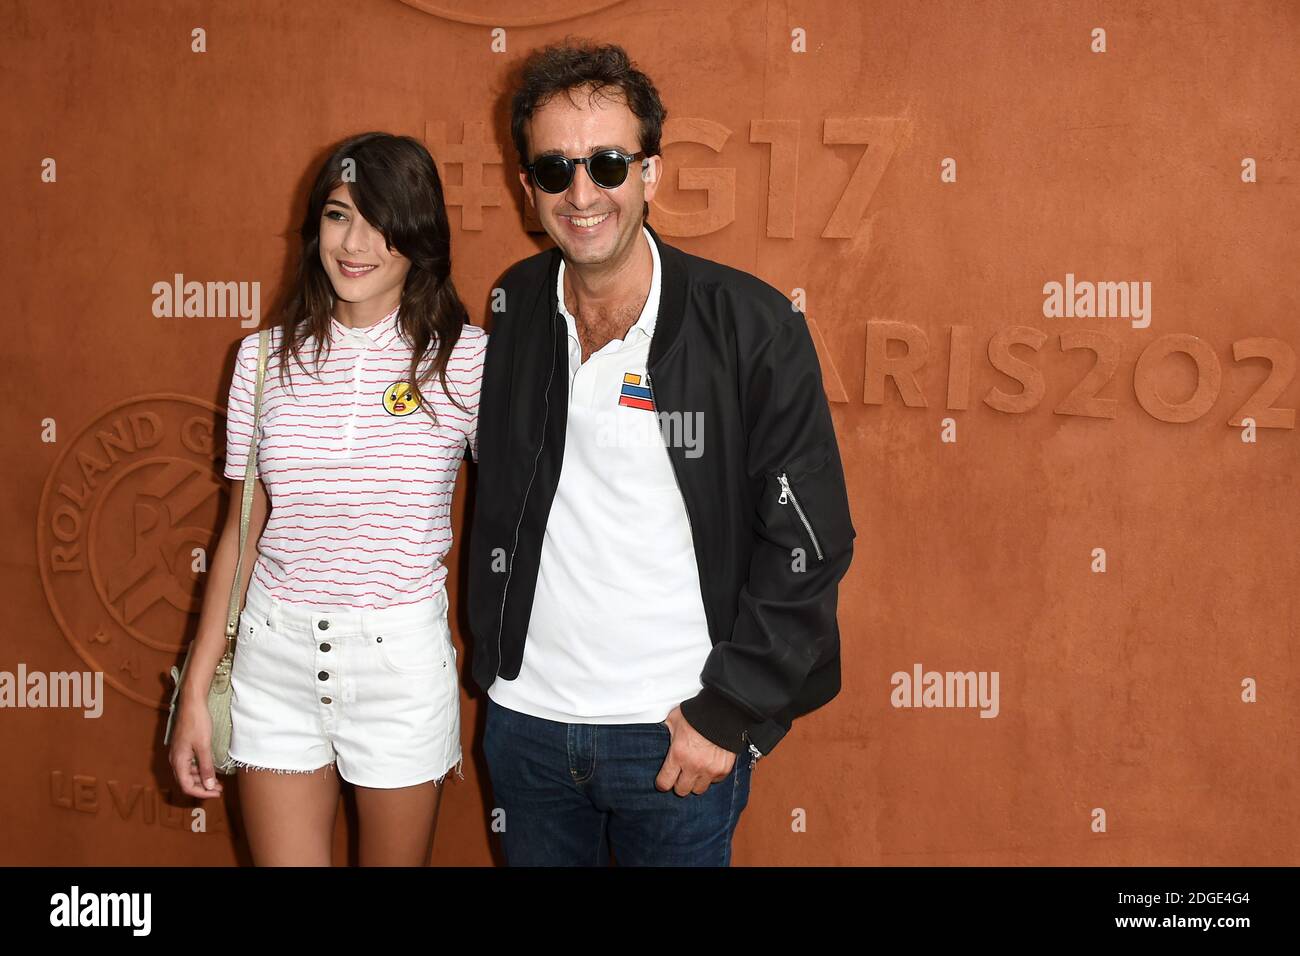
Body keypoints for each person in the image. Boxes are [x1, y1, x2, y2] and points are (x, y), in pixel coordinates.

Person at [468, 41, 855, 866]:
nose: (583, 194)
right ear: (524, 182)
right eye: (555, 168)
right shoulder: (514, 311)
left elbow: (811, 541)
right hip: (526, 727)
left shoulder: (749, 326)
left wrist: (728, 713)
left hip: (676, 736)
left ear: (651, 172)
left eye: (608, 164)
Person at [168, 132, 487, 866]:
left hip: (398, 665)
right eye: (340, 215)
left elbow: (524, 512)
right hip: (273, 657)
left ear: (420, 237)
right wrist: (195, 685)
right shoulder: (261, 359)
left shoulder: (466, 360)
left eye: (382, 223)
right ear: (315, 225)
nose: (357, 243)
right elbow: (241, 534)